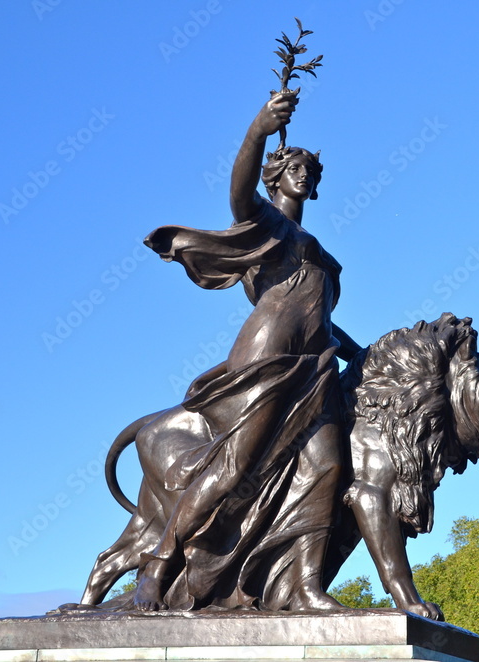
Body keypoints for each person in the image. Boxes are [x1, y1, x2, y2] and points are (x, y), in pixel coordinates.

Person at [136, 91, 361, 611]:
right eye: (294, 167)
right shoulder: (265, 223)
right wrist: (259, 130)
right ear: (274, 175)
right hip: (267, 360)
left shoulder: (309, 240)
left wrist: (359, 353)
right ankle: (160, 564)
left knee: (327, 465)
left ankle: (305, 586)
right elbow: (238, 190)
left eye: (310, 170)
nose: (304, 175)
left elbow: (323, 319)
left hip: (315, 366)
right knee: (235, 467)